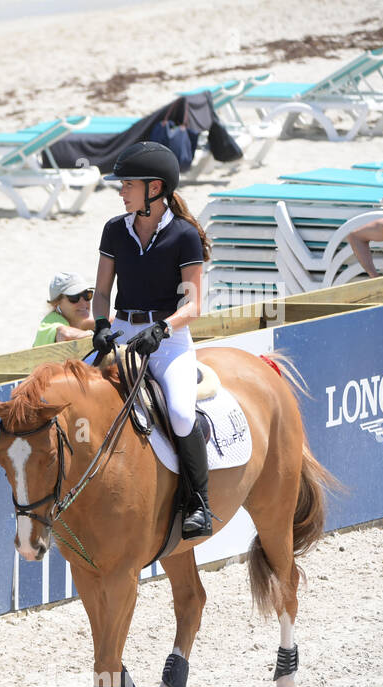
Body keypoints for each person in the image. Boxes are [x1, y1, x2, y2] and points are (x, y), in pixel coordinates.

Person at [91, 141, 212, 539]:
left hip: (169, 338)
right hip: (123, 332)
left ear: (154, 188)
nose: (121, 191)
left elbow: (193, 305)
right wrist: (101, 324)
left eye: (128, 184)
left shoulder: (183, 236)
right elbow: (102, 293)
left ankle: (198, 503)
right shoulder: (114, 230)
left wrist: (161, 329)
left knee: (179, 413)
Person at [33, 272, 96, 346]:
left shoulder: (74, 319)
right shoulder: (50, 323)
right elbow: (66, 335)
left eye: (87, 295)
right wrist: (93, 334)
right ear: (56, 303)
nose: (84, 303)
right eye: (74, 297)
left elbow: (102, 321)